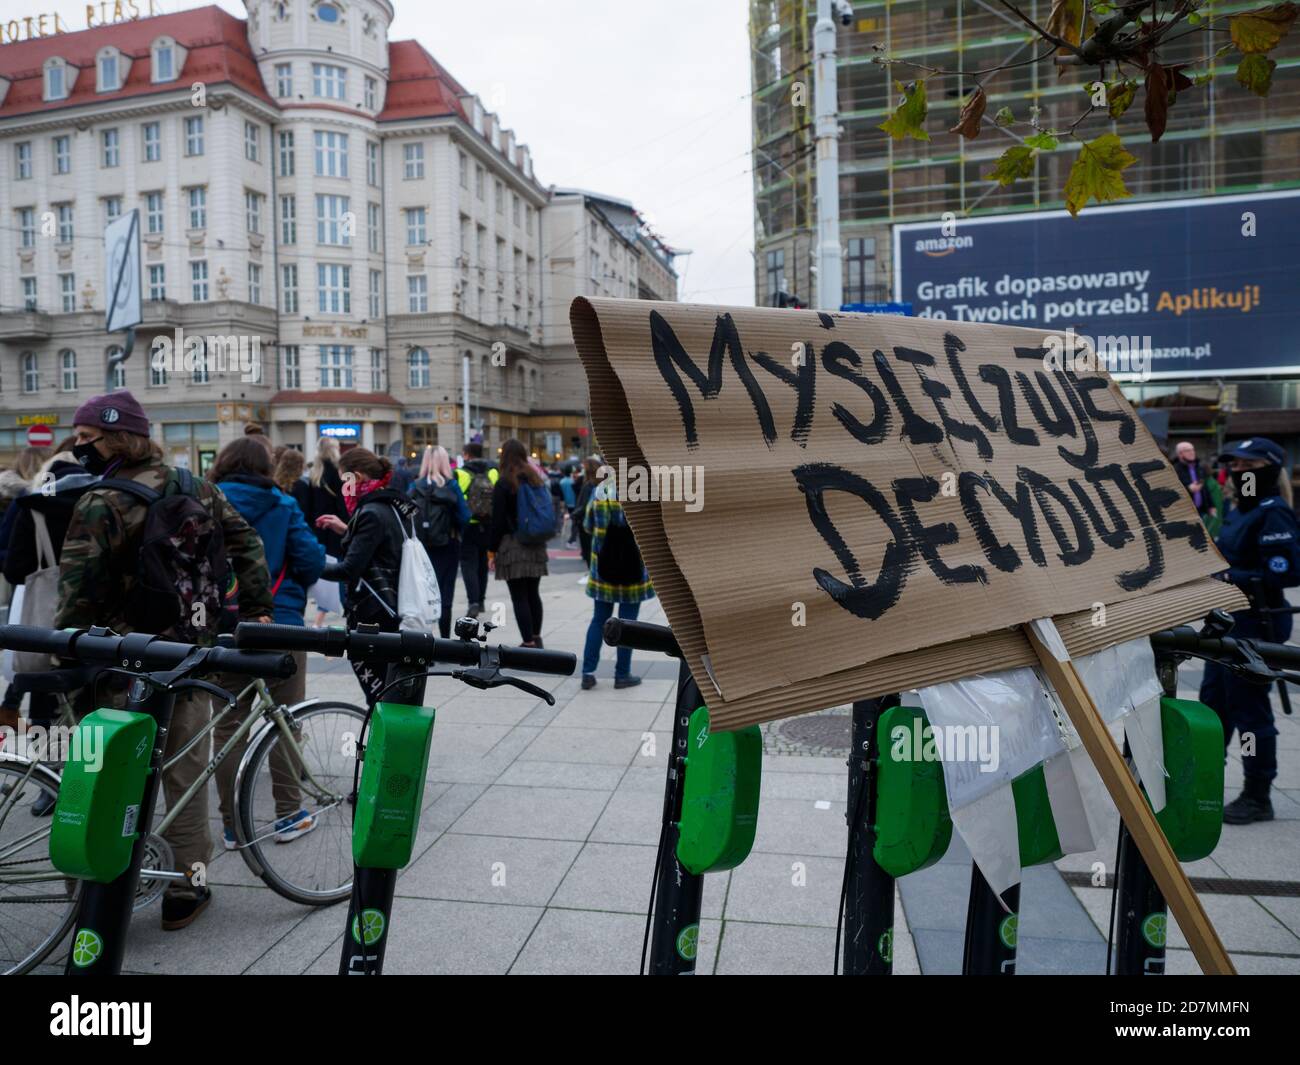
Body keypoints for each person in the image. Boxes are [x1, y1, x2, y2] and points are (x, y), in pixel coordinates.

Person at [55, 391, 273, 930]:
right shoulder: (194, 484)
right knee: (184, 775)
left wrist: (65, 650)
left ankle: (92, 891)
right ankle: (188, 890)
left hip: (117, 663)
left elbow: (76, 590)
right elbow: (246, 543)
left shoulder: (100, 501)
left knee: (98, 773)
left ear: (115, 439)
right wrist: (258, 610)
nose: (79, 448)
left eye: (87, 439)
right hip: (187, 655)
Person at [209, 437, 326, 850]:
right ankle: (288, 814)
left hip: (224, 626)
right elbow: (311, 562)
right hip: (281, 624)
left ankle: (231, 825)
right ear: (266, 467)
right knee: (286, 717)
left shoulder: (207, 502)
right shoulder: (282, 504)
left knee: (227, 725)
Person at [1198, 437, 1300, 825]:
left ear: (1269, 470)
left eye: (1247, 466)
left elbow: (1286, 570)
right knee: (1213, 708)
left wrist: (1230, 575)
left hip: (1255, 625)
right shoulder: (1239, 510)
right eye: (1234, 467)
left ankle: (1257, 794)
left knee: (1249, 716)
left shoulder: (1274, 512)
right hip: (1226, 623)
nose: (1238, 472)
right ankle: (1203, 789)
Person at [1, 441, 96, 792]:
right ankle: (85, 784)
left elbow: (14, 570)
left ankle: (51, 784)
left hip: (47, 622)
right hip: (93, 622)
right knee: (89, 701)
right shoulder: (100, 504)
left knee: (45, 701)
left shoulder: (34, 508)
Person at [314, 448, 418, 706]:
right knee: (388, 693)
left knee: (379, 696)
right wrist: (347, 530)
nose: (343, 490)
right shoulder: (391, 504)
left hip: (373, 616)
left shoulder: (371, 513)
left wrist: (308, 566)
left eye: (344, 482)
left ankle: (382, 744)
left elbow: (349, 570)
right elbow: (380, 551)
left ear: (357, 478)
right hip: (393, 611)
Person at [581, 474, 654, 689]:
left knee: (598, 620)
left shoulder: (601, 491)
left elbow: (587, 525)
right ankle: (622, 674)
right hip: (633, 572)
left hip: (604, 571)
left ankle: (588, 673)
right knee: (628, 625)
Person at [488, 438, 549, 647]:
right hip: (535, 543)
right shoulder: (535, 478)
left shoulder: (504, 482)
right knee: (533, 593)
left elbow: (497, 521)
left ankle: (527, 642)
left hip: (512, 546)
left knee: (519, 596)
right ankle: (537, 637)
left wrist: (491, 550)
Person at [409, 445, 470, 638]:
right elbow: (465, 516)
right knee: (445, 592)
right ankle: (444, 639)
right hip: (447, 544)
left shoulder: (415, 486)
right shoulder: (451, 486)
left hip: (420, 548)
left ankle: (424, 638)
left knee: (422, 592)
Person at [302, 436, 350, 624]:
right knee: (339, 569)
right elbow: (343, 504)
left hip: (318, 528)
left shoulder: (314, 473)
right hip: (335, 527)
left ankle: (321, 612)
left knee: (325, 569)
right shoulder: (339, 473)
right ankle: (335, 609)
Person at [455, 441, 499, 618]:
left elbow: (457, 498)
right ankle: (481, 600)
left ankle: (472, 601)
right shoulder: (493, 472)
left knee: (468, 564)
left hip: (469, 524)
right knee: (482, 562)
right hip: (488, 523)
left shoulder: (461, 473)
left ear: (466, 455)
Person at [1172, 440, 1216, 522]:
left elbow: (1205, 488)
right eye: (1188, 450)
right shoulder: (1174, 470)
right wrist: (1188, 489)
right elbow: (1171, 491)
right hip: (1184, 512)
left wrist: (1211, 506)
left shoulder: (1199, 468)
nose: (1192, 452)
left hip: (1200, 511)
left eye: (1193, 449)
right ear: (1180, 454)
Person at [575, 456, 602, 565]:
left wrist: (573, 515)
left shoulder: (589, 485)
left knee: (589, 553)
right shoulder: (603, 483)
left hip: (587, 523)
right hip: (599, 523)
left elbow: (585, 505)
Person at [560, 467, 578, 546]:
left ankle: (569, 536)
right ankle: (572, 538)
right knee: (575, 520)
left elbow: (561, 494)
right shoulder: (573, 481)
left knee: (568, 519)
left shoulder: (562, 482)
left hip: (567, 503)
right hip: (574, 502)